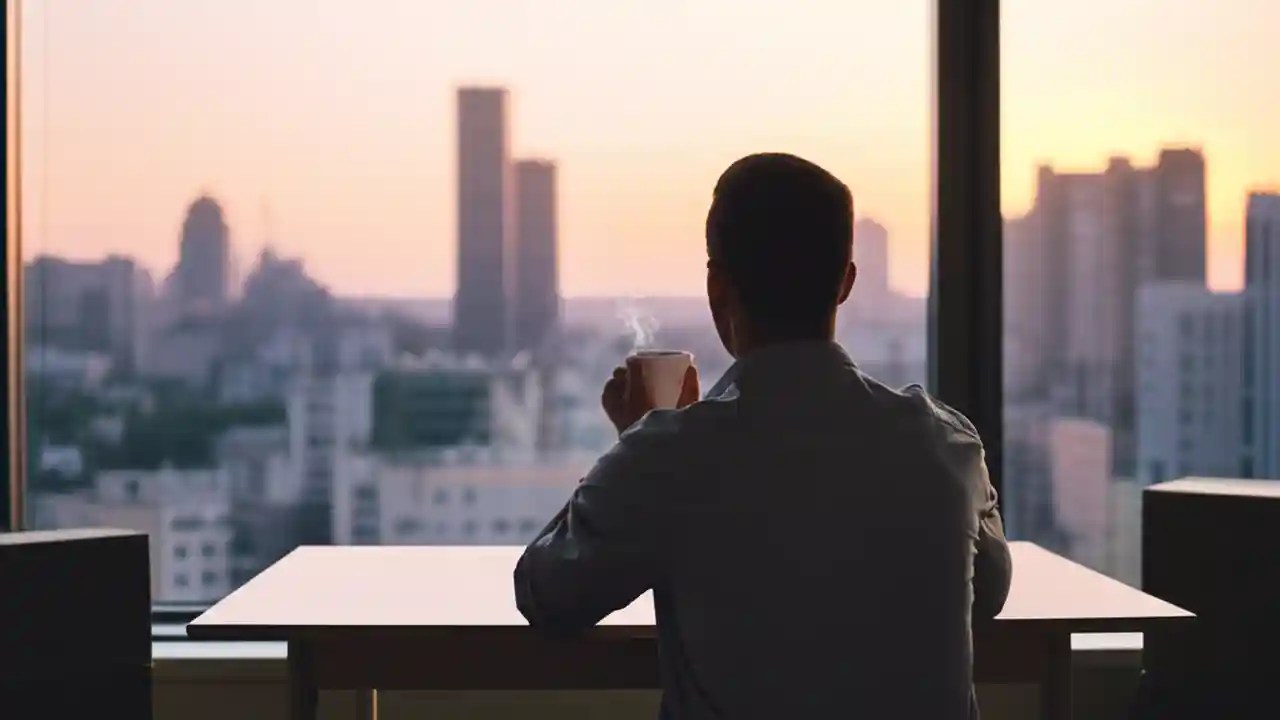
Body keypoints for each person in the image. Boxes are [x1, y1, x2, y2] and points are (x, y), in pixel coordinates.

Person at [514, 152, 1012, 719]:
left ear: (716, 286)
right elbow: (988, 590)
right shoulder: (944, 445)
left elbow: (546, 594)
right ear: (845, 282)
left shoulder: (670, 460)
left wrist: (635, 448)